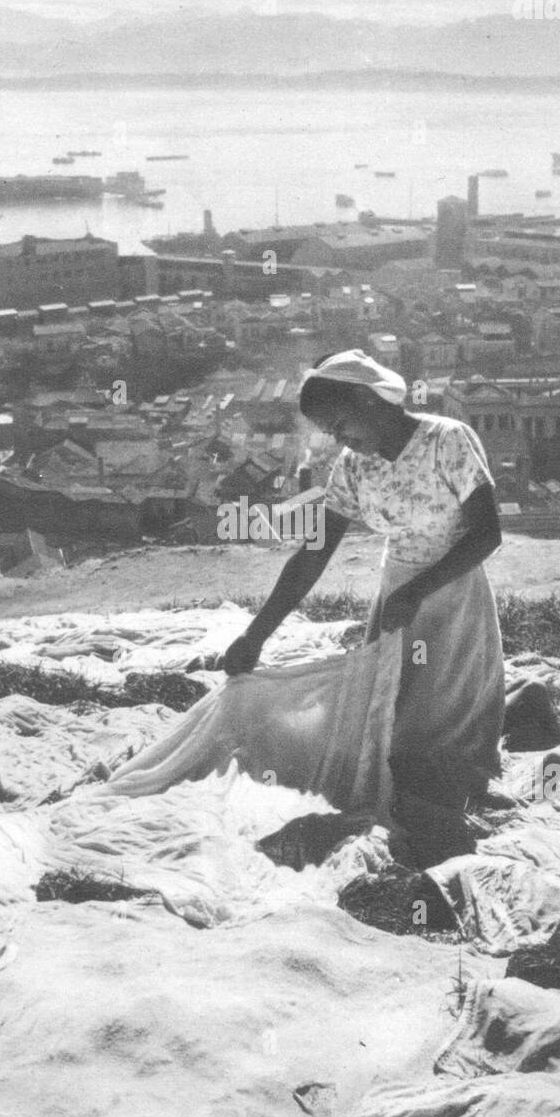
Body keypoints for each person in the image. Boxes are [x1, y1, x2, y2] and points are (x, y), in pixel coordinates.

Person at [220, 349, 507, 867]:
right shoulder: (354, 469)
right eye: (328, 430)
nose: (336, 438)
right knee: (390, 726)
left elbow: (488, 534)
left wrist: (419, 591)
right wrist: (255, 636)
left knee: (446, 733)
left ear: (369, 401)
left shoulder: (448, 440)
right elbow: (312, 555)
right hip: (397, 594)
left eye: (340, 423)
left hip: (455, 593)